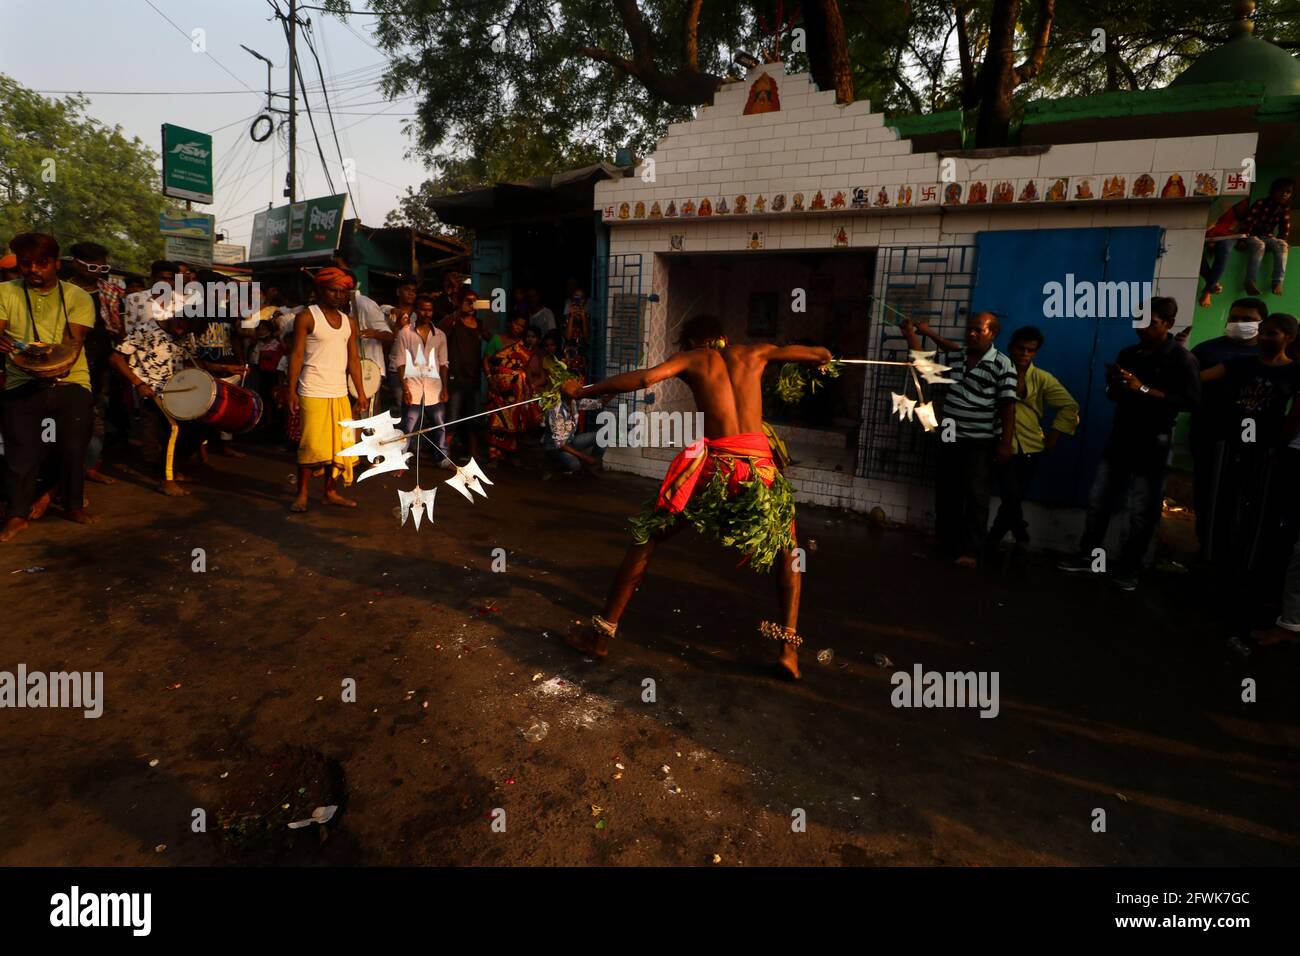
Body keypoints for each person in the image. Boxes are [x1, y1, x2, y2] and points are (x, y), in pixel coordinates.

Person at [561, 315, 831, 680]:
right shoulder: (756, 352)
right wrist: (822, 355)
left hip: (717, 469)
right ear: (722, 337)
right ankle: (788, 651)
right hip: (761, 471)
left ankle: (601, 635)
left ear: (691, 343)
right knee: (789, 549)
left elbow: (643, 379)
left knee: (648, 538)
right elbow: (814, 353)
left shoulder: (692, 360)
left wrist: (582, 391)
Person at [1058, 297, 1200, 591]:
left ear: (1168, 324)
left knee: (1142, 510)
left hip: (1154, 441)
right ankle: (1090, 558)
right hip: (1121, 436)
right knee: (1100, 502)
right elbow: (1116, 395)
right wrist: (1116, 383)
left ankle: (1129, 569)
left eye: (1151, 322)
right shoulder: (1130, 353)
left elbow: (1190, 401)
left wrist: (1143, 388)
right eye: (1140, 320)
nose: (1142, 327)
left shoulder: (1182, 359)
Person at [1197, 313, 1300, 645]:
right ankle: (1214, 571)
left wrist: (1278, 443)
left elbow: (1295, 415)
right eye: (1264, 332)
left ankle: (1244, 580)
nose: (1266, 338)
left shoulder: (1294, 372)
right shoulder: (1241, 363)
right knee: (1220, 508)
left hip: (1266, 453)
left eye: (1273, 333)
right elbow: (1200, 378)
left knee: (1258, 518)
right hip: (1231, 446)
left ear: (1289, 338)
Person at [0, 232, 98, 543]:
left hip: (70, 380)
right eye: (26, 264)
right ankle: (16, 515)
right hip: (21, 379)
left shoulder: (77, 296)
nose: (33, 270)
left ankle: (71, 505)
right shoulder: (4, 292)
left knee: (72, 446)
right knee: (20, 451)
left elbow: (73, 346)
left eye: (41, 263)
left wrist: (41, 358)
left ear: (55, 263)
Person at [901, 312, 1017, 568]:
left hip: (980, 440)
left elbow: (1008, 406)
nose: (971, 334)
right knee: (947, 490)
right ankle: (946, 540)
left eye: (979, 330)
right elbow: (926, 367)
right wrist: (910, 335)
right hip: (951, 435)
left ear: (993, 334)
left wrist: (1005, 443)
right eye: (970, 329)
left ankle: (971, 551)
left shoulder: (1002, 364)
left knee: (975, 495)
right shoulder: (958, 356)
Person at [986, 325, 1079, 553]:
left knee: (1013, 496)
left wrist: (1053, 437)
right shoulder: (995, 370)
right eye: (1021, 349)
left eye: (1031, 350)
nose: (1025, 354)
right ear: (1011, 347)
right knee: (1011, 495)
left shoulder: (1041, 378)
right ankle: (1013, 534)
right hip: (997, 442)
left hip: (1029, 447)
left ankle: (999, 539)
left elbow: (1070, 406)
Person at [1188, 297, 1267, 548]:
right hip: (1207, 430)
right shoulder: (1206, 350)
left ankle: (1235, 549)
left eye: (1248, 319)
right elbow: (1186, 384)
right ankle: (1206, 545)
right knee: (1206, 489)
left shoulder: (1268, 355)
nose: (1239, 323)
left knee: (1243, 493)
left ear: (1262, 323)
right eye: (1235, 318)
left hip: (1251, 436)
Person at [108, 295, 206, 496]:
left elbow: (191, 362)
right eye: (180, 324)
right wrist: (138, 383)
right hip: (152, 392)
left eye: (186, 329)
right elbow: (116, 357)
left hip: (179, 393)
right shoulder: (145, 330)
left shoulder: (187, 336)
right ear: (175, 315)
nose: (181, 330)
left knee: (194, 431)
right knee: (173, 430)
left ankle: (172, 469)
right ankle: (166, 480)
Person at [287, 267, 368, 512]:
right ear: (320, 290)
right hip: (312, 390)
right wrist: (291, 391)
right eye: (333, 290)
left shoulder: (349, 323)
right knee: (311, 445)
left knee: (338, 446)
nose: (337, 295)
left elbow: (354, 360)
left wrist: (361, 393)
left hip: (339, 392)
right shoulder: (306, 317)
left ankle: (330, 492)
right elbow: (297, 355)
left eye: (342, 291)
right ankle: (302, 494)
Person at [64, 241, 125, 485]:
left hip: (101, 365)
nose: (96, 271)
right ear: (75, 264)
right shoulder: (63, 290)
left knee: (96, 417)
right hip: (68, 361)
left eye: (101, 267)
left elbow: (118, 329)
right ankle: (63, 475)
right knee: (66, 421)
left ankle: (88, 467)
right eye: (90, 266)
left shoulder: (110, 291)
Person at [1199, 178, 1293, 304]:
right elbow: (1247, 222)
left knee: (1225, 252)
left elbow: (1284, 227)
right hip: (1224, 234)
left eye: (1288, 192)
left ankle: (1277, 281)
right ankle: (1216, 281)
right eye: (1282, 191)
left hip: (1238, 235)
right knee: (1197, 253)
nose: (1285, 194)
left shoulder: (1282, 208)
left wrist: (1282, 240)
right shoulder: (1214, 199)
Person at [394, 294, 450, 468]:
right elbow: (400, 362)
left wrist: (445, 388)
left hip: (434, 387)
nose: (427, 313)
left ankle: (442, 459)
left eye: (430, 310)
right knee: (408, 426)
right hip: (413, 385)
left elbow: (444, 363)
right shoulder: (405, 332)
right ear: (416, 311)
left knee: (439, 424)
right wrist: (405, 388)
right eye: (423, 309)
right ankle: (402, 461)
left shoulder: (440, 335)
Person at [439, 286, 492, 463]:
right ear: (460, 302)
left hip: (474, 379)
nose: (471, 304)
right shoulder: (453, 321)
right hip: (455, 378)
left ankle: (473, 455)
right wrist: (457, 311)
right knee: (452, 418)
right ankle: (444, 453)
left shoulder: (480, 325)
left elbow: (494, 342)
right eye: (467, 301)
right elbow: (439, 331)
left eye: (473, 301)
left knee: (473, 420)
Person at [483, 314, 535, 463]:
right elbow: (486, 361)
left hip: (516, 392)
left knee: (512, 421)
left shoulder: (522, 345)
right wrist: (489, 378)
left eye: (522, 327)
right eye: (516, 324)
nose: (518, 328)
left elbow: (526, 368)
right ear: (510, 324)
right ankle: (493, 455)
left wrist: (529, 387)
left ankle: (508, 453)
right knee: (496, 419)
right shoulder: (496, 340)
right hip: (498, 387)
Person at [386, 278, 419, 410]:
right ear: (398, 291)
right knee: (401, 407)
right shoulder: (389, 313)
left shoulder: (419, 315)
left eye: (414, 291)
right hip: (395, 367)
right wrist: (398, 325)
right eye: (407, 290)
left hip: (417, 368)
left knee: (416, 407)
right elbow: (388, 340)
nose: (411, 293)